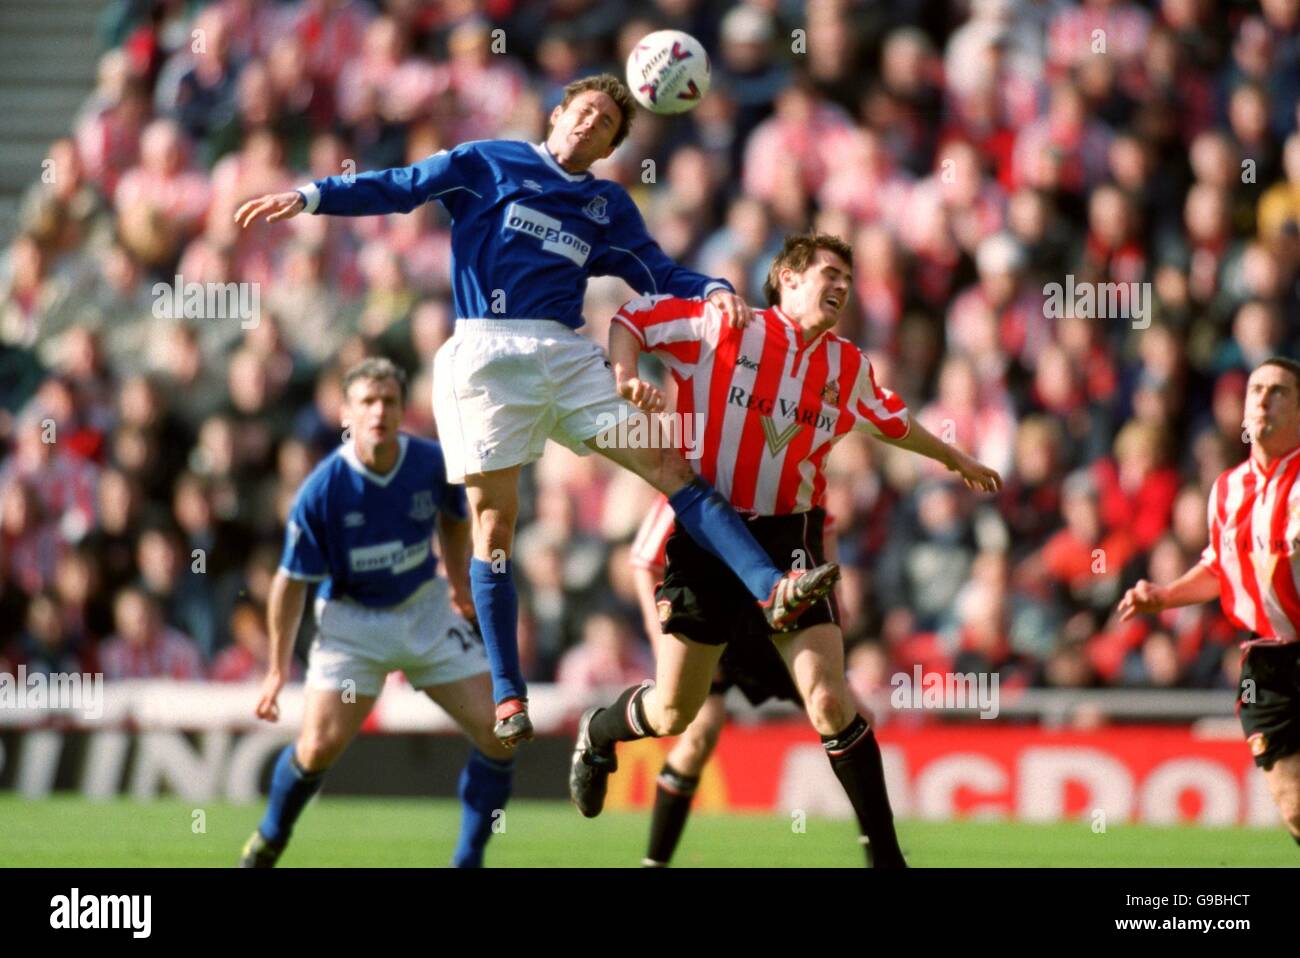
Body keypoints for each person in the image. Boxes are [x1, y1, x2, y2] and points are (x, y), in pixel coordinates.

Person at [235, 73, 841, 748]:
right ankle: (506, 694)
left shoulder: (607, 205)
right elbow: (401, 186)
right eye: (583, 112)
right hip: (485, 357)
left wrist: (718, 289)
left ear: (612, 144)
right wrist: (310, 195)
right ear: (558, 113)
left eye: (606, 124)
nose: (590, 126)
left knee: (674, 466)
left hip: (565, 353)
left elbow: (659, 274)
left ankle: (770, 586)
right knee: (495, 523)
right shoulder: (487, 161)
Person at [569, 231, 1003, 867]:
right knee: (673, 714)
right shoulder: (723, 324)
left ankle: (887, 858)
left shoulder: (846, 365)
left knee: (830, 700)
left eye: (848, 283)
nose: (841, 289)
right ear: (787, 277)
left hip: (789, 537)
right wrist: (626, 375)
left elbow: (893, 421)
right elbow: (630, 318)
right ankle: (600, 731)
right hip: (710, 531)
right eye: (829, 274)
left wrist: (954, 457)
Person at [239, 358, 512, 868]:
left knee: (500, 733)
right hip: (352, 625)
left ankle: (468, 861)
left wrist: (456, 580)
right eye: (367, 401)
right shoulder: (323, 490)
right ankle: (269, 839)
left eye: (388, 400)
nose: (378, 411)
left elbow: (456, 518)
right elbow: (289, 583)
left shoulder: (430, 463)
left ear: (403, 408)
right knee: (317, 747)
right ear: (346, 413)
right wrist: (277, 670)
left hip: (423, 611)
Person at [1119, 357, 1300, 851]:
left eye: (1278, 391)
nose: (1263, 399)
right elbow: (1221, 568)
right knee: (1294, 806)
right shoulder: (1226, 490)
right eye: (1255, 390)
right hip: (1269, 662)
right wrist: (1165, 596)